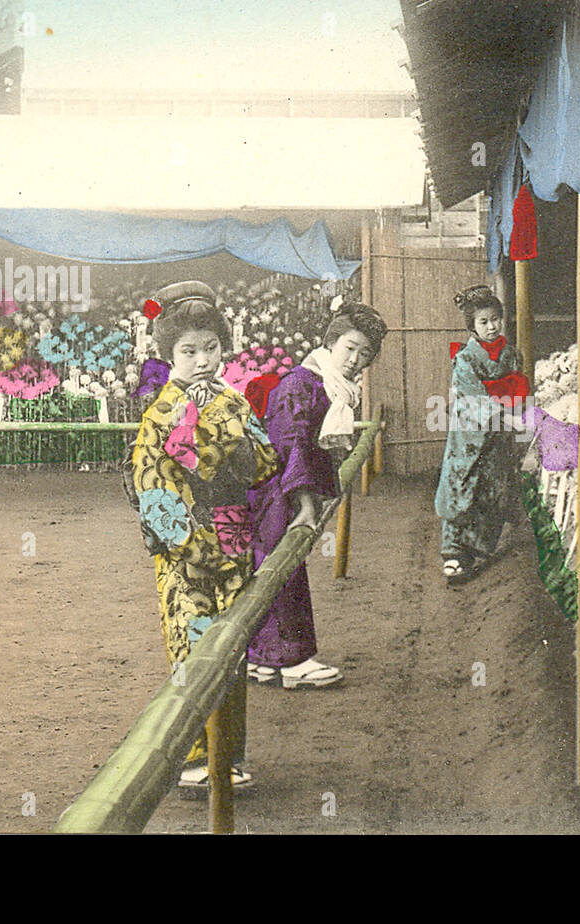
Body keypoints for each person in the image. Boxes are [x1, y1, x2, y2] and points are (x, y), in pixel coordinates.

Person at [128, 280, 278, 795]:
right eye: (188, 351)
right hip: (184, 551)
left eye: (211, 348)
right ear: (169, 354)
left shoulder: (233, 401)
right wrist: (195, 547)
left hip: (235, 539)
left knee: (232, 651)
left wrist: (222, 431)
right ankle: (195, 754)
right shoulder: (159, 411)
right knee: (194, 645)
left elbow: (264, 462)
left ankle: (228, 753)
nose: (202, 360)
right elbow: (153, 492)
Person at [243, 302, 387, 688]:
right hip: (274, 488)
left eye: (365, 354)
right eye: (350, 348)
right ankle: (293, 661)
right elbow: (292, 446)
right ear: (331, 343)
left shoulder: (332, 386)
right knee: (282, 570)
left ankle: (264, 658)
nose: (356, 360)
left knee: (274, 569)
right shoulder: (300, 384)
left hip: (284, 487)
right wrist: (306, 505)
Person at [435, 284, 530, 585]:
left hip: (501, 431)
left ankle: (476, 550)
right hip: (471, 433)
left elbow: (519, 390)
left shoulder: (512, 355)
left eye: (495, 320)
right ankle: (453, 552)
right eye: (483, 322)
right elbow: (471, 398)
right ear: (473, 327)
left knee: (493, 486)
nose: (491, 327)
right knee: (463, 485)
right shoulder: (465, 359)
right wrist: (500, 410)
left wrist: (513, 410)